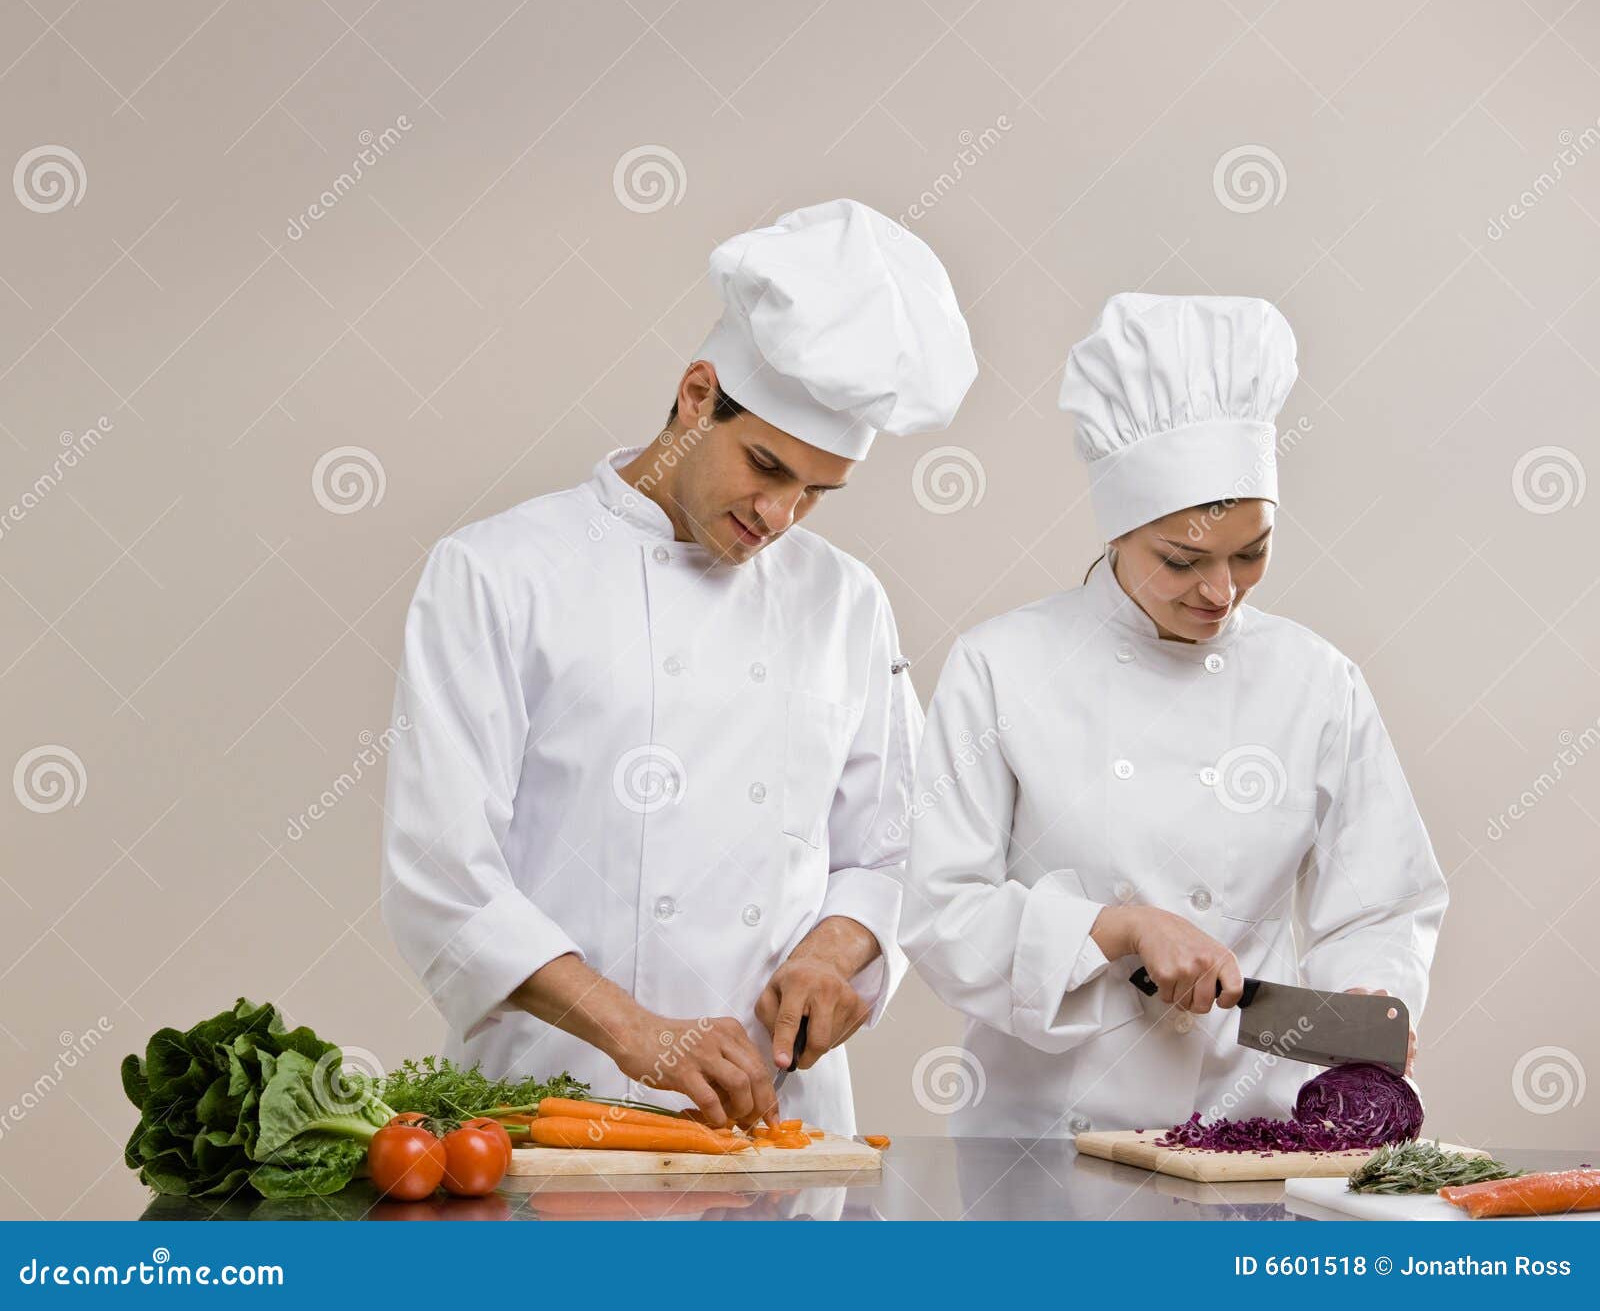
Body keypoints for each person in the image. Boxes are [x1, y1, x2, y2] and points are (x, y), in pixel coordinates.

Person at [381, 198, 976, 1134]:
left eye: (817, 495)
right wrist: (637, 1032)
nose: (779, 517)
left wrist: (833, 952)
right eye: (766, 468)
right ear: (698, 395)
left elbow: (897, 848)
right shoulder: (499, 573)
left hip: (776, 1129)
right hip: (556, 1106)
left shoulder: (845, 600)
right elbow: (443, 876)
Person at [901, 293, 1447, 1137]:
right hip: (1047, 1134)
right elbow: (941, 912)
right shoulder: (1001, 666)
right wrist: (1114, 928)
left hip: (1252, 1131)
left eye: (1252, 553)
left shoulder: (1315, 679)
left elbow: (1383, 899)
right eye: (1183, 559)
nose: (1221, 592)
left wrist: (1370, 996)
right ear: (1118, 530)